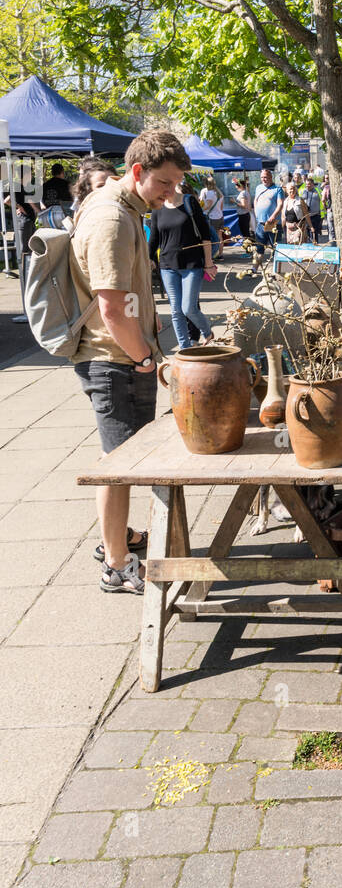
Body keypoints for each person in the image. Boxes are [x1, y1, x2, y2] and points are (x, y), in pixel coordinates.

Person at [70, 129, 191, 594]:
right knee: (118, 464)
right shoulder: (113, 218)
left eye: (176, 184)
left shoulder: (125, 208)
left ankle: (115, 539)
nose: (171, 193)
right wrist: (148, 361)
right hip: (116, 361)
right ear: (136, 171)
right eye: (164, 182)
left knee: (115, 459)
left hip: (124, 357)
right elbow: (112, 310)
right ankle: (117, 566)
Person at [148, 179, 216, 351]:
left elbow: (205, 235)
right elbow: (154, 239)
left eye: (168, 185)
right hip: (167, 266)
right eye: (161, 187)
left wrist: (208, 263)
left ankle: (207, 332)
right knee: (176, 311)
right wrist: (148, 260)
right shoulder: (157, 209)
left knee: (188, 308)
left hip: (192, 264)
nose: (165, 190)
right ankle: (184, 349)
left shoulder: (189, 201)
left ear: (174, 184)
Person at [253, 166, 281, 257]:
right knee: (259, 248)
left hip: (273, 224)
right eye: (262, 177)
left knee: (276, 249)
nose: (263, 179)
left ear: (270, 177)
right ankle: (254, 268)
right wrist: (256, 213)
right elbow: (255, 200)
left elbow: (280, 204)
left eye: (265, 177)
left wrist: (273, 216)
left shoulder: (278, 189)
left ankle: (276, 270)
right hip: (260, 223)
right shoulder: (258, 188)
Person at [198, 174, 224, 257]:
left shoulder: (209, 193)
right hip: (220, 216)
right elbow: (221, 207)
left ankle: (212, 255)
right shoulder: (219, 193)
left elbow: (208, 205)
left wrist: (199, 210)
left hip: (212, 217)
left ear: (206, 184)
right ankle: (220, 254)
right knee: (219, 237)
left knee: (212, 238)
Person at [301, 177, 322, 242]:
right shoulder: (303, 191)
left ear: (313, 184)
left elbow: (323, 201)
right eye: (306, 184)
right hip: (306, 216)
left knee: (314, 234)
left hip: (315, 216)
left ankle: (315, 247)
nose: (307, 185)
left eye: (309, 184)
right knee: (306, 234)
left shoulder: (318, 191)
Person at [233, 176, 252, 241]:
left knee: (245, 233)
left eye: (236, 185)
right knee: (246, 232)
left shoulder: (242, 193)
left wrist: (234, 202)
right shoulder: (246, 192)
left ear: (240, 186)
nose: (236, 187)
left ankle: (248, 248)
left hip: (243, 215)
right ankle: (249, 247)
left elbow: (244, 205)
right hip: (246, 214)